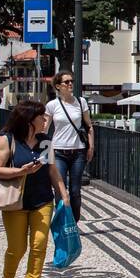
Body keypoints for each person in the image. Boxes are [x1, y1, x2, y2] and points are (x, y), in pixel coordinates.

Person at [0, 100, 69, 278]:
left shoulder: (45, 141)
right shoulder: (8, 140)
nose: (45, 120)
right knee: (17, 248)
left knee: (39, 244)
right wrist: (20, 171)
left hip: (42, 199)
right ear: (29, 119)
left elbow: (52, 170)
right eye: (41, 116)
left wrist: (63, 194)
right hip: (15, 201)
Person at [45, 71, 93, 222]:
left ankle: (74, 222)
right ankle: (62, 221)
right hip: (58, 151)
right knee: (60, 189)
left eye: (71, 81)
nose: (70, 84)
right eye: (66, 82)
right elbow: (44, 129)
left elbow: (89, 126)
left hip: (78, 151)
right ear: (58, 86)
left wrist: (91, 146)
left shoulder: (81, 102)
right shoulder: (52, 105)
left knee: (75, 191)